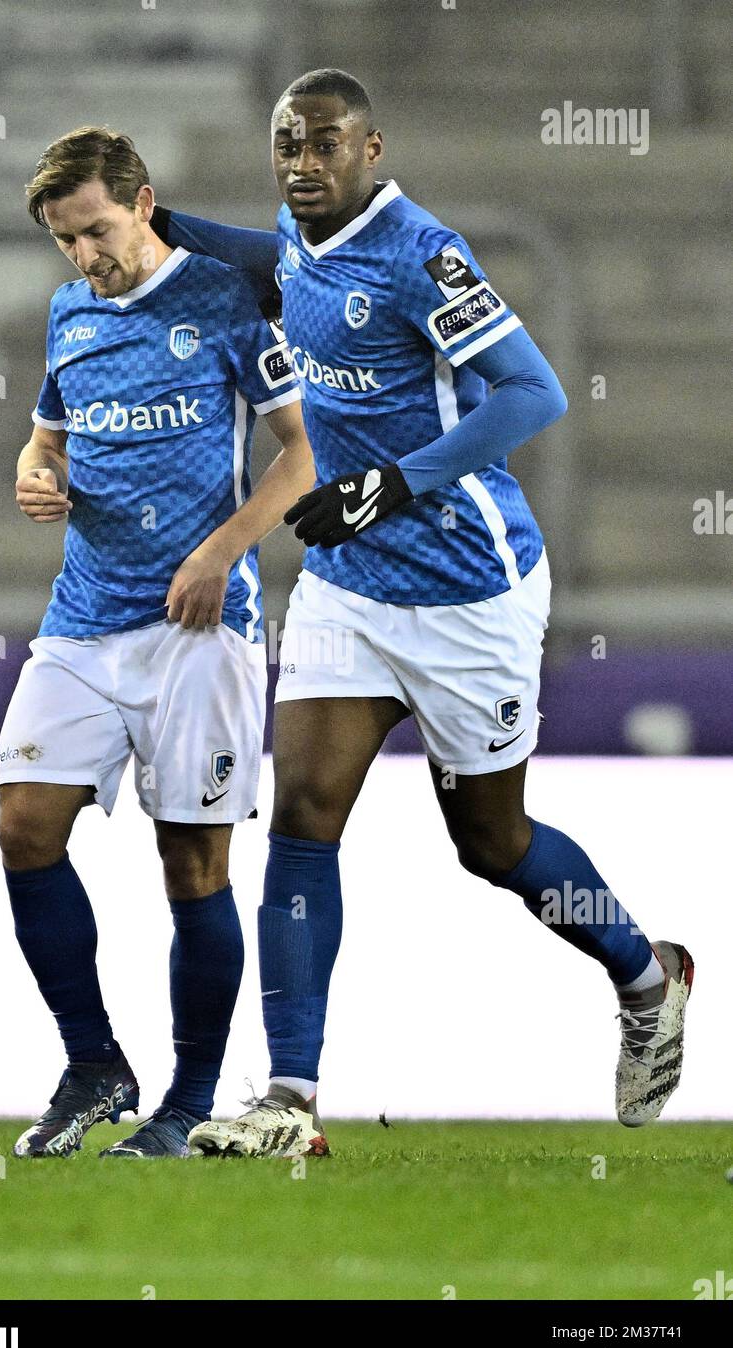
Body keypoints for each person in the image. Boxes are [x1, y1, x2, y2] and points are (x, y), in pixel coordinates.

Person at [147, 70, 693, 1158]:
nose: (303, 162)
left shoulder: (423, 254)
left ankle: (647, 976)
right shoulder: (300, 236)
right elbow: (274, 266)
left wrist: (390, 485)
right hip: (349, 587)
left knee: (491, 842)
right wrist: (157, 222)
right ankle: (290, 1100)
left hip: (467, 590)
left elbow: (532, 392)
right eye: (287, 144)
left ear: (372, 149)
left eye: (324, 144)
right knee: (303, 813)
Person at [0, 126, 313, 1159]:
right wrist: (36, 472)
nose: (84, 255)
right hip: (84, 618)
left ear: (142, 202)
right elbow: (46, 436)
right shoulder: (70, 312)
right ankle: (94, 1064)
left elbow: (301, 454)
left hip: (199, 632)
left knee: (192, 861)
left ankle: (186, 1104)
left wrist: (220, 552)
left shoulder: (224, 299)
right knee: (23, 825)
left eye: (95, 230)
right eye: (64, 240)